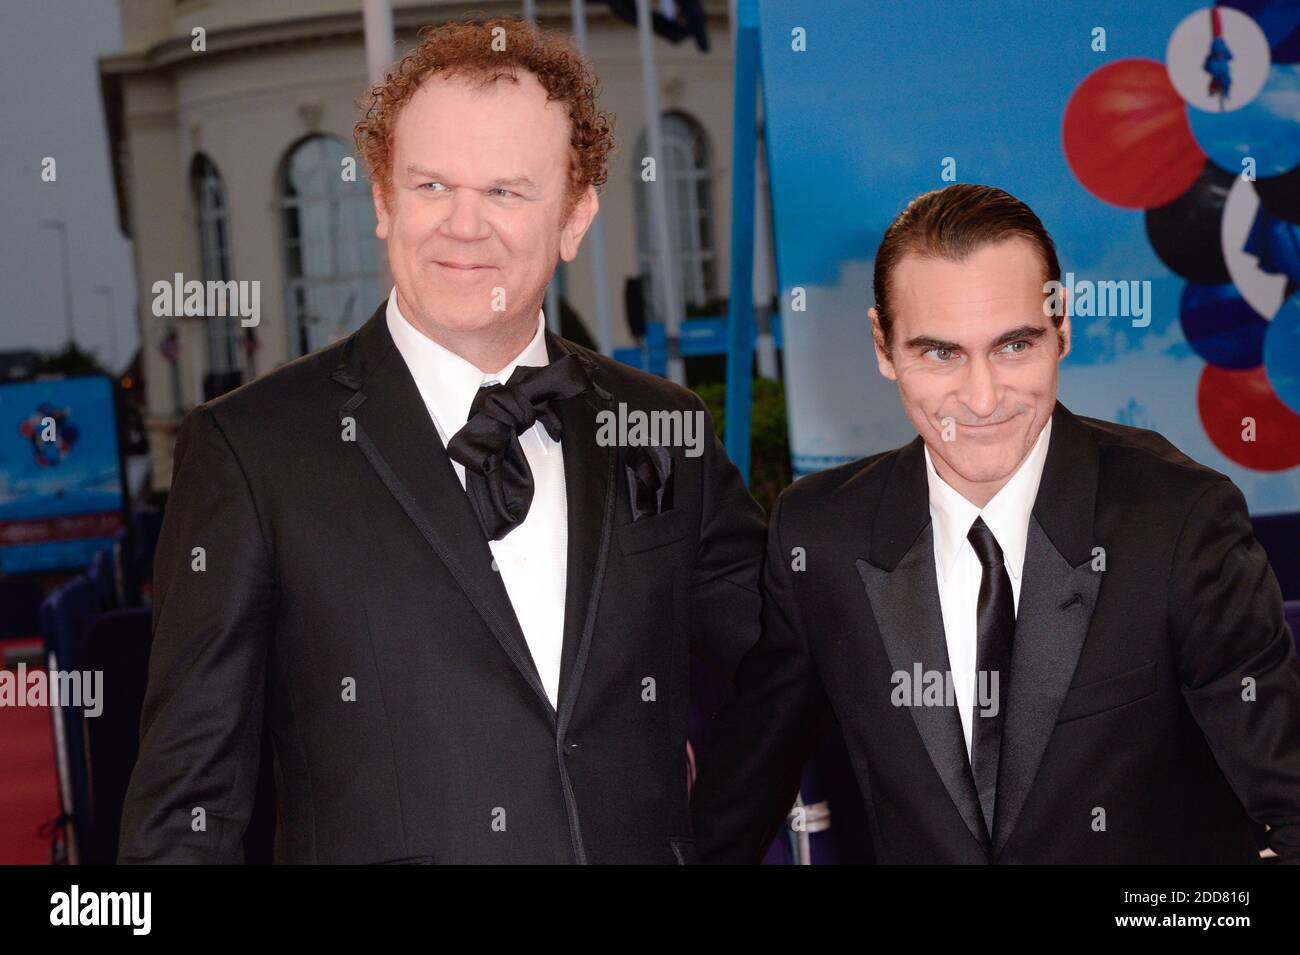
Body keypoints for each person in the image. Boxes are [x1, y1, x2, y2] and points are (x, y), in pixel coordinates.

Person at [119, 16, 765, 865]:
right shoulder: (250, 450)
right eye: (431, 187)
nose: (465, 225)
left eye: (506, 190)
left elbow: (799, 662)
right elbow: (185, 809)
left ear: (574, 217)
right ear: (384, 201)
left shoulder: (662, 424)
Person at [691, 183, 1300, 864]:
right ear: (883, 346)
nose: (981, 399)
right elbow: (737, 804)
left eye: (1013, 345)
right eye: (940, 352)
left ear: (1061, 328)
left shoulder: (1178, 521)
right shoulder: (818, 536)